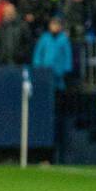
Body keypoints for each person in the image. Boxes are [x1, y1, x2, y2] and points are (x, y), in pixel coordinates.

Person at [32, 16, 74, 162]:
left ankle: (60, 153)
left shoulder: (63, 40)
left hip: (58, 84)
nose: (55, 27)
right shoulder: (45, 39)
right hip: (45, 83)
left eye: (57, 24)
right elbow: (37, 57)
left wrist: (63, 72)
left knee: (59, 117)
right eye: (53, 24)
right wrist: (41, 72)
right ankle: (46, 153)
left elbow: (68, 59)